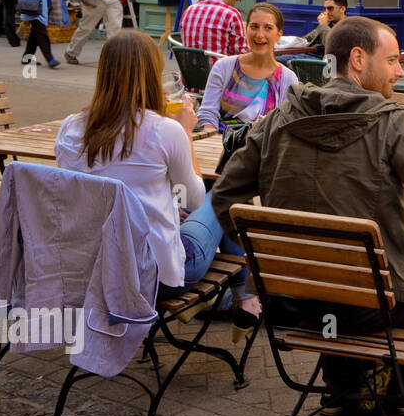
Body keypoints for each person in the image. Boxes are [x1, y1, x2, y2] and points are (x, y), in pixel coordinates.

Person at [210, 16, 404, 411]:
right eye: (393, 59)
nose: (399, 70)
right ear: (358, 59)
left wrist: (257, 258)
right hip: (370, 308)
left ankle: (343, 387)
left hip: (292, 301)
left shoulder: (278, 118)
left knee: (338, 271)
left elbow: (224, 193)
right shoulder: (392, 123)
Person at [55, 31, 260, 341]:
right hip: (157, 276)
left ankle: (243, 297)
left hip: (90, 267)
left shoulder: (71, 127)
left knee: (210, 201)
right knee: (222, 195)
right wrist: (186, 134)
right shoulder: (165, 131)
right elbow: (193, 199)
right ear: (152, 76)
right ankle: (248, 297)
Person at [196, 2, 300, 132]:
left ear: (279, 35)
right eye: (254, 27)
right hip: (219, 144)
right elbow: (207, 114)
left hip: (263, 149)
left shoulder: (288, 79)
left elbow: (285, 126)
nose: (260, 35)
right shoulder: (223, 67)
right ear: (246, 30)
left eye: (268, 28)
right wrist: (212, 143)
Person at [180, 0, 248, 56]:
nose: (234, 4)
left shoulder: (189, 10)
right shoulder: (231, 14)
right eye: (236, 0)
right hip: (220, 67)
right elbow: (241, 53)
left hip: (190, 67)